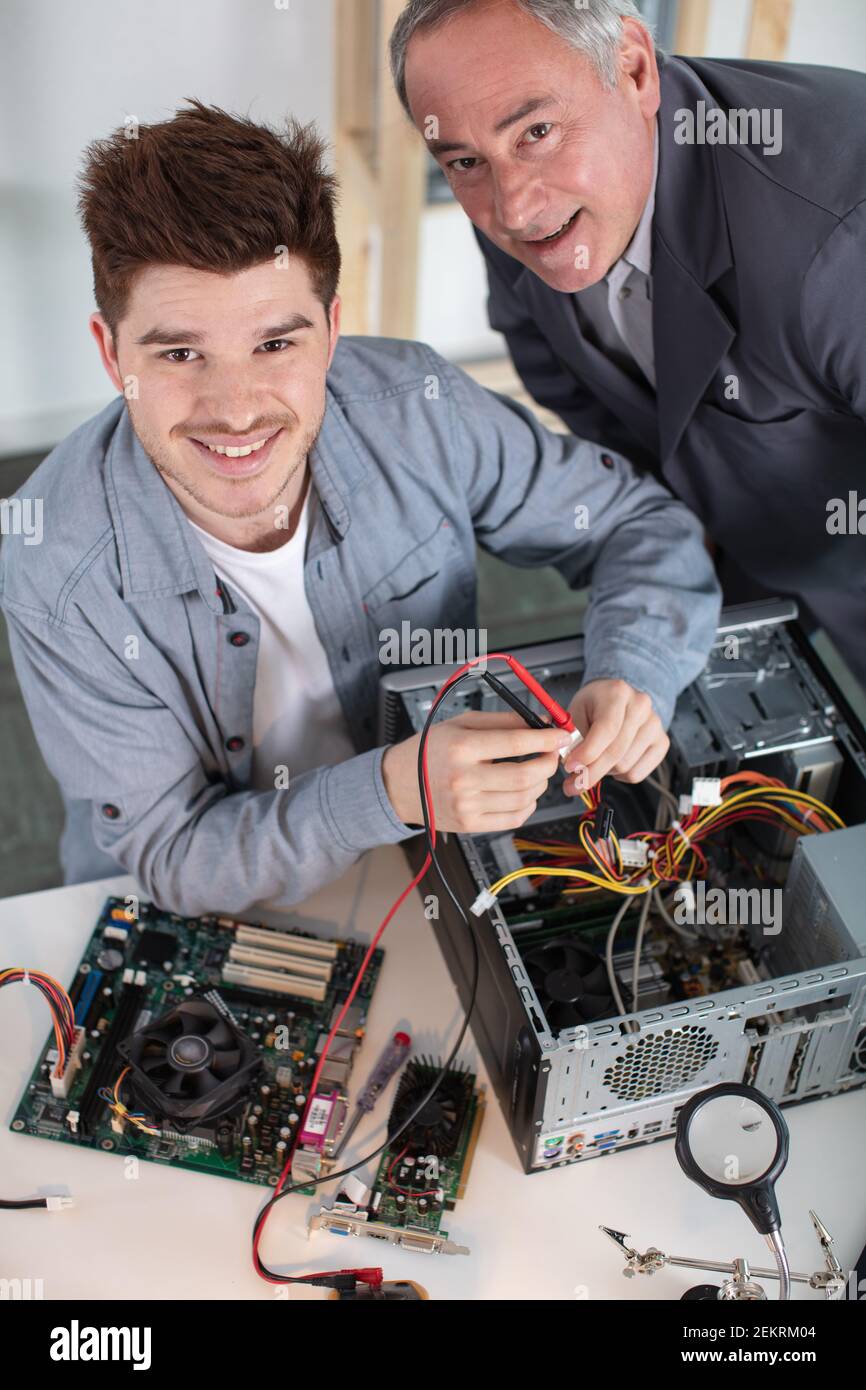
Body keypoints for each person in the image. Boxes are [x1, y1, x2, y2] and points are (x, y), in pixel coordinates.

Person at [0, 101, 719, 918]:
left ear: (333, 330)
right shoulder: (54, 567)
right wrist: (389, 790)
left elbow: (638, 526)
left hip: (439, 852)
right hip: (216, 903)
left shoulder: (418, 407)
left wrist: (633, 669)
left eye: (277, 344)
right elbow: (173, 854)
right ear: (110, 353)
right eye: (180, 354)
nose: (235, 412)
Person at [390, 0, 866, 687]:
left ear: (636, 69)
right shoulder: (516, 186)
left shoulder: (839, 240)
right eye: (464, 160)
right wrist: (666, 536)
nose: (514, 208)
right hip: (735, 548)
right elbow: (558, 368)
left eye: (539, 131)